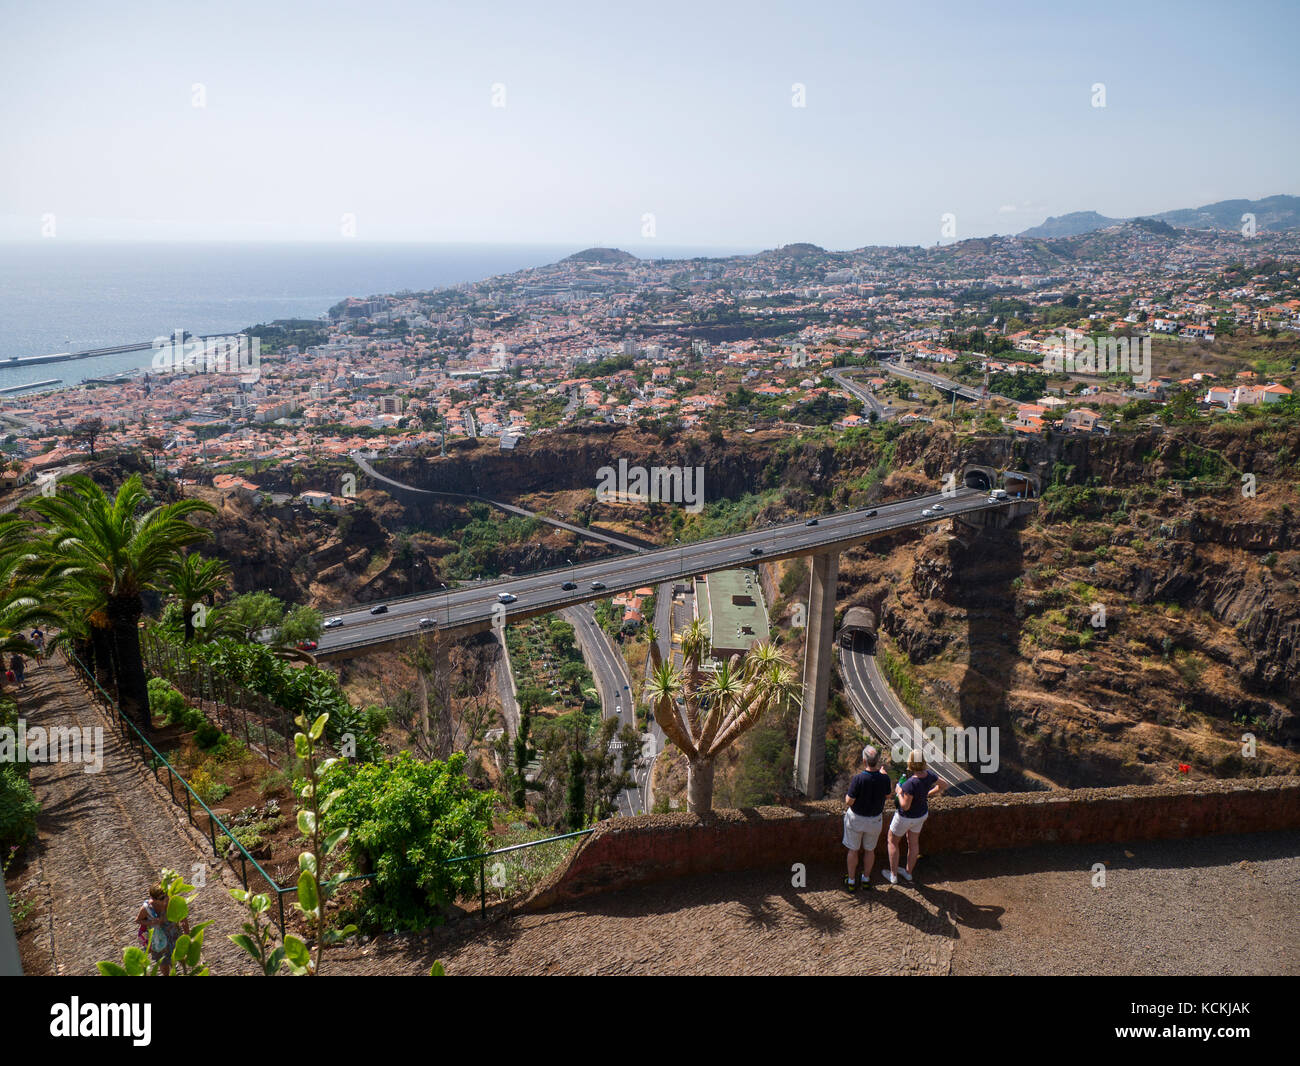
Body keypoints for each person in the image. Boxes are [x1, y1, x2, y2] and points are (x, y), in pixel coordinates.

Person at [886, 749, 946, 884]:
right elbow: (943, 785)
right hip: (921, 815)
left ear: (911, 763)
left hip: (906, 817)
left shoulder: (909, 784)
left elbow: (905, 806)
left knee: (892, 841)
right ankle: (908, 873)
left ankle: (893, 875)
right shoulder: (929, 775)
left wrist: (898, 792)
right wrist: (928, 794)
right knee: (913, 843)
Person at [843, 745, 892, 892]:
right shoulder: (884, 778)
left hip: (856, 819)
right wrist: (884, 776)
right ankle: (866, 879)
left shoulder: (858, 779)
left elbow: (849, 801)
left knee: (853, 850)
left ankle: (851, 881)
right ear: (877, 761)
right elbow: (888, 796)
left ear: (864, 761)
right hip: (874, 820)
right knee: (870, 851)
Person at [137, 885, 188, 976]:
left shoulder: (172, 902)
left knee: (179, 956)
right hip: (158, 939)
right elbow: (138, 920)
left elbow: (183, 917)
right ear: (154, 899)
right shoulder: (147, 908)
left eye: (166, 895)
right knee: (163, 961)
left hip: (173, 935)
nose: (166, 898)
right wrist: (152, 922)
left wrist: (187, 934)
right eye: (162, 898)